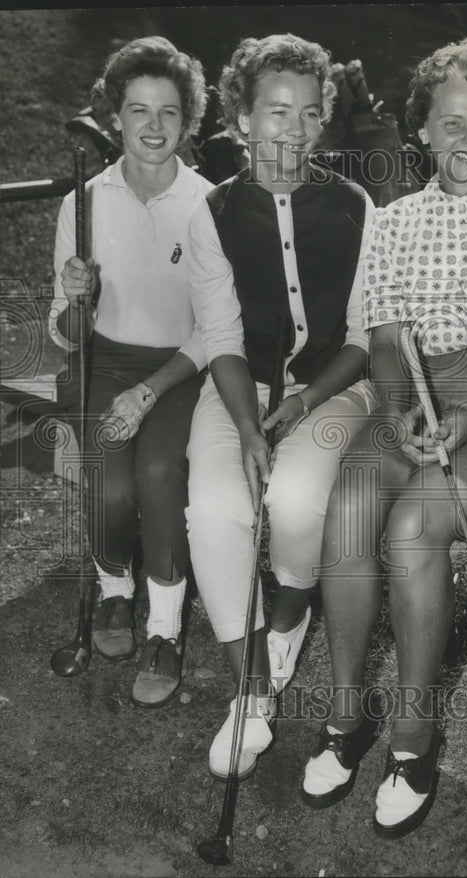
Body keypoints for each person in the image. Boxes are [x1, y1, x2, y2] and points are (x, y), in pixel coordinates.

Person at [301, 38, 467, 838]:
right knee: (350, 504)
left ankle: (413, 741)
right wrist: (396, 413)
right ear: (421, 130)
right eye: (451, 124)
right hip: (414, 400)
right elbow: (387, 337)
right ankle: (346, 715)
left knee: (414, 527)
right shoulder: (391, 223)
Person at [185, 33, 377, 780]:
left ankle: (289, 621)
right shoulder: (215, 212)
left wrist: (304, 405)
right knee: (218, 503)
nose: (291, 131)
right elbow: (222, 337)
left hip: (334, 386)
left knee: (297, 498)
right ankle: (251, 690)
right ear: (241, 115)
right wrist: (245, 428)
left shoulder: (355, 204)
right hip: (237, 388)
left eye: (307, 113)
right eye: (275, 112)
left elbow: (363, 337)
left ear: (324, 117)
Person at [50, 36, 213, 708]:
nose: (153, 126)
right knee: (111, 482)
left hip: (181, 369)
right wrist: (77, 300)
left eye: (169, 112)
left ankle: (167, 627)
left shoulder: (210, 204)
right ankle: (116, 590)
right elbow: (65, 333)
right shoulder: (83, 204)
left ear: (188, 120)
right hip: (104, 359)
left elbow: (214, 330)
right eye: (138, 110)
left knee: (157, 474)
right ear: (113, 116)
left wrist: (151, 392)